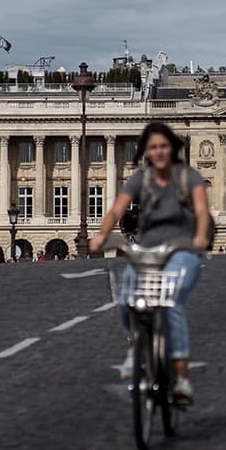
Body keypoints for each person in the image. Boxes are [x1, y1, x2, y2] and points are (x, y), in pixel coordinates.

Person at [89, 122, 211, 404]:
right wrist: (101, 235)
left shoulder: (188, 177)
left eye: (163, 146)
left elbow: (202, 211)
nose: (158, 152)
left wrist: (201, 238)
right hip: (149, 249)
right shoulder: (140, 179)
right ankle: (135, 345)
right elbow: (116, 209)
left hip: (182, 247)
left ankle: (180, 377)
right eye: (153, 147)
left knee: (170, 303)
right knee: (126, 297)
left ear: (173, 149)